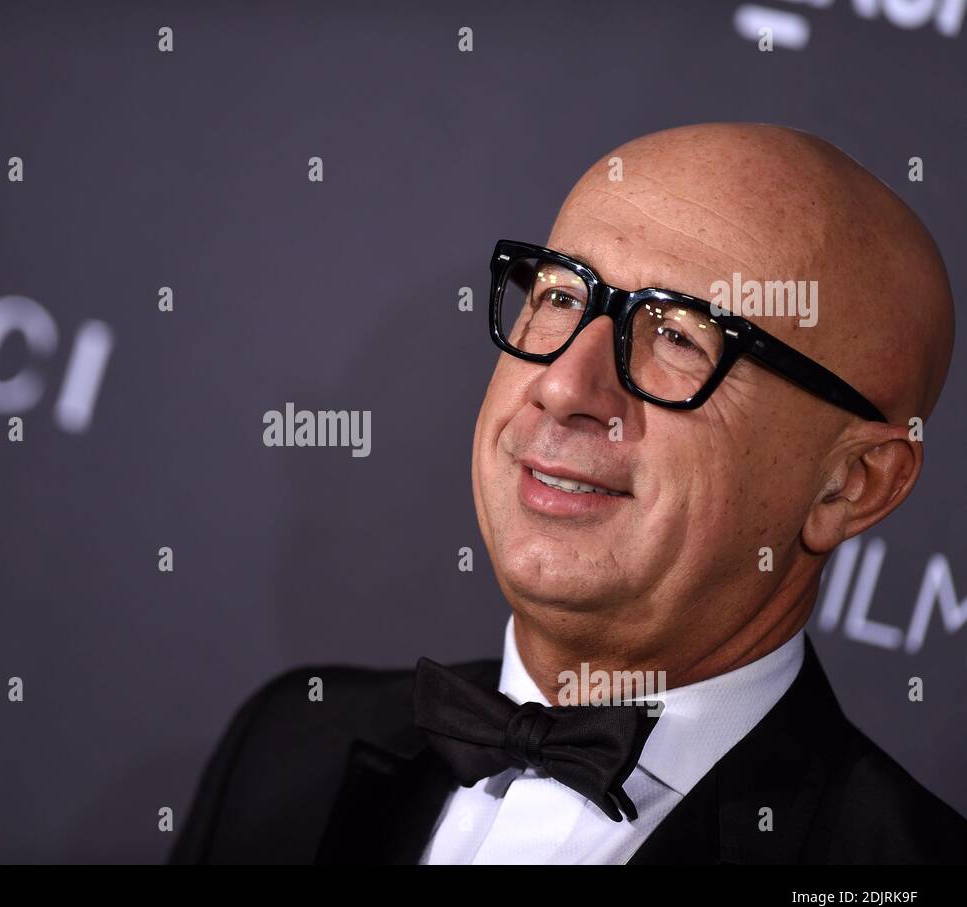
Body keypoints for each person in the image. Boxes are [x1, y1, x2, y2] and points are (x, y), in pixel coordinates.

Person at [169, 122, 967, 864]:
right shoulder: (289, 744)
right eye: (559, 295)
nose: (562, 385)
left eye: (682, 335)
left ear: (849, 485)